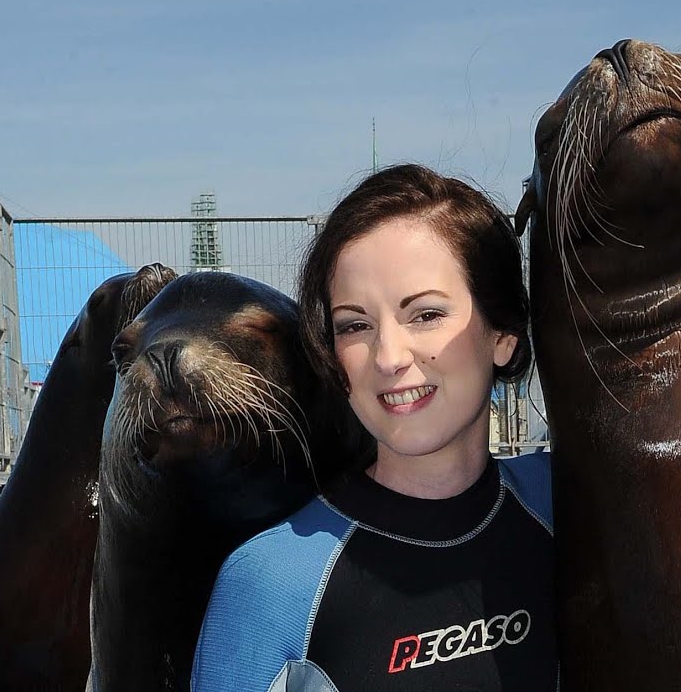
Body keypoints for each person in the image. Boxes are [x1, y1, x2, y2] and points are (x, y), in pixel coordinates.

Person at [190, 163, 557, 691]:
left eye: (425, 314)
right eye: (355, 325)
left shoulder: (568, 505)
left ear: (502, 334)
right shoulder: (271, 584)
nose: (387, 357)